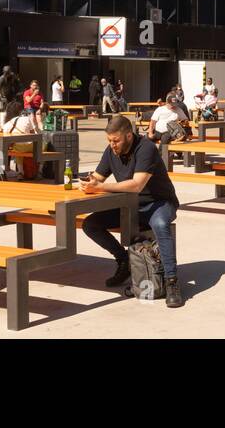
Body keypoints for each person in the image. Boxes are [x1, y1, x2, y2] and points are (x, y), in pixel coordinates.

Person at [82, 116, 182, 307]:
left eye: (116, 140)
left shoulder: (146, 148)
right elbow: (98, 176)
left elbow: (136, 185)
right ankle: (124, 261)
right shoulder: (111, 151)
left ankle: (171, 281)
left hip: (158, 204)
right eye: (109, 141)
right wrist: (87, 182)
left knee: (161, 226)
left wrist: (100, 187)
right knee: (91, 224)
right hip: (129, 206)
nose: (112, 145)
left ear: (128, 135)